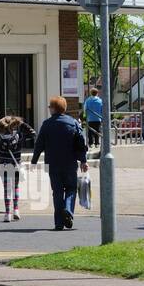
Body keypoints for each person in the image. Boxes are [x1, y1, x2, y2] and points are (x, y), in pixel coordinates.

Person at [30, 96, 89, 231]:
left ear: (54, 109)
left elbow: (39, 144)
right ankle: (68, 209)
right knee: (71, 189)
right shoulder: (73, 123)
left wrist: (34, 161)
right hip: (70, 163)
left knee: (57, 192)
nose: (49, 109)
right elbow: (81, 143)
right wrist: (83, 160)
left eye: (50, 106)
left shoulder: (47, 124)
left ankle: (58, 223)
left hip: (53, 164)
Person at [0, 115, 33, 222]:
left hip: (3, 164)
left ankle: (7, 213)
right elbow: (32, 133)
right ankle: (16, 209)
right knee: (15, 187)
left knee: (6, 189)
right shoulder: (19, 136)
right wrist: (20, 123)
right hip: (16, 164)